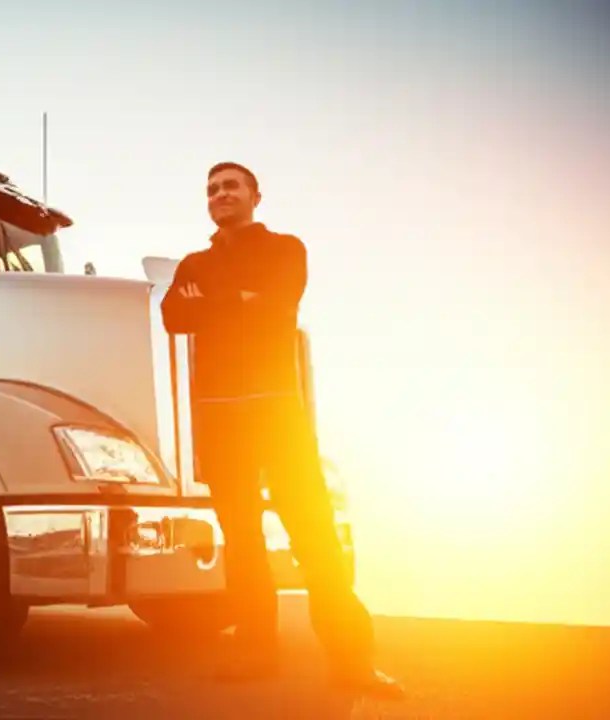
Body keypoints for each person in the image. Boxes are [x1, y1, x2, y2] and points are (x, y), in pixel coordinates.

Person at [161, 161, 404, 699]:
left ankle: (352, 661)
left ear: (255, 196)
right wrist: (235, 301)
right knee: (243, 541)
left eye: (231, 186)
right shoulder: (193, 262)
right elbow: (174, 316)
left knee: (314, 534)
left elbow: (276, 307)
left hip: (277, 416)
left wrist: (215, 304)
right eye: (212, 189)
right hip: (220, 418)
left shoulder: (285, 250)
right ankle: (254, 652)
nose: (220, 194)